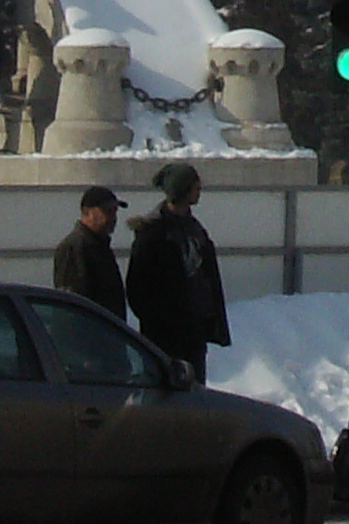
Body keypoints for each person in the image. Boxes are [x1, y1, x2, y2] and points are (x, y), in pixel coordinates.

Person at [127, 161, 231, 382]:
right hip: (164, 340)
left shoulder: (194, 229)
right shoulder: (153, 234)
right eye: (195, 185)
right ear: (183, 189)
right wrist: (163, 321)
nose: (200, 189)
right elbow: (137, 290)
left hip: (193, 336)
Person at [52, 185, 127, 318]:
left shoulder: (99, 246)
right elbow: (72, 305)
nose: (113, 218)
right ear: (87, 212)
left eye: (115, 212)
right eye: (107, 212)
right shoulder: (74, 247)